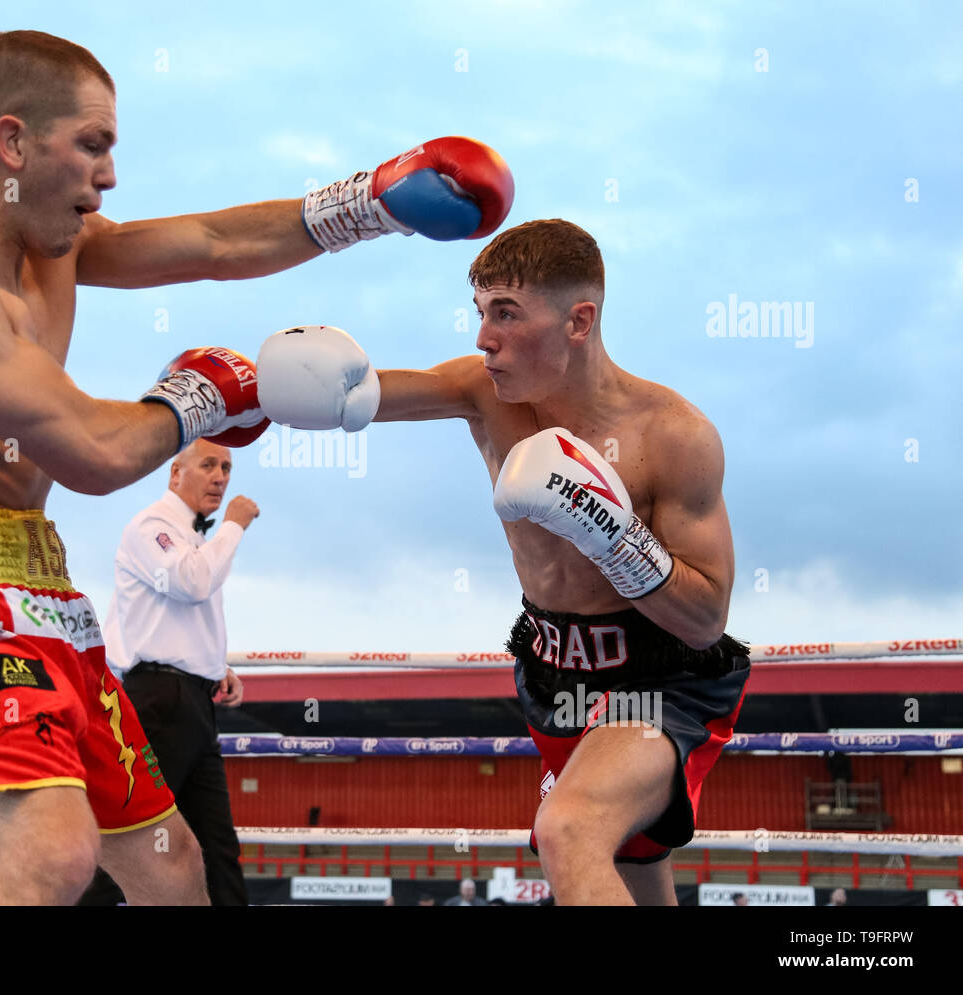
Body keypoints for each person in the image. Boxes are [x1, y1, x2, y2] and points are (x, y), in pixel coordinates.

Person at [0, 29, 513, 906]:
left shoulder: (54, 249)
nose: (108, 176)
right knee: (51, 859)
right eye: (92, 145)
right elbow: (93, 449)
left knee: (170, 869)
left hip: (44, 592)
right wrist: (195, 399)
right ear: (11, 142)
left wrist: (372, 202)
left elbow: (211, 241)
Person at [258, 219, 750, 907]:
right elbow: (356, 394)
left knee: (570, 829)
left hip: (660, 678)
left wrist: (613, 534)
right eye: (481, 311)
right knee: (633, 872)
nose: (484, 336)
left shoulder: (673, 435)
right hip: (555, 673)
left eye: (507, 313)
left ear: (580, 321)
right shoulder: (484, 391)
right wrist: (247, 389)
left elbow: (706, 619)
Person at [81, 440, 258, 906]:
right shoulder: (151, 526)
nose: (220, 476)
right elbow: (191, 583)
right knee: (129, 838)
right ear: (175, 473)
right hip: (159, 701)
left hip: (193, 703)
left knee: (217, 848)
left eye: (226, 467)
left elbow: (171, 619)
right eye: (208, 464)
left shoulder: (196, 539)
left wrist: (214, 666)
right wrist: (235, 526)